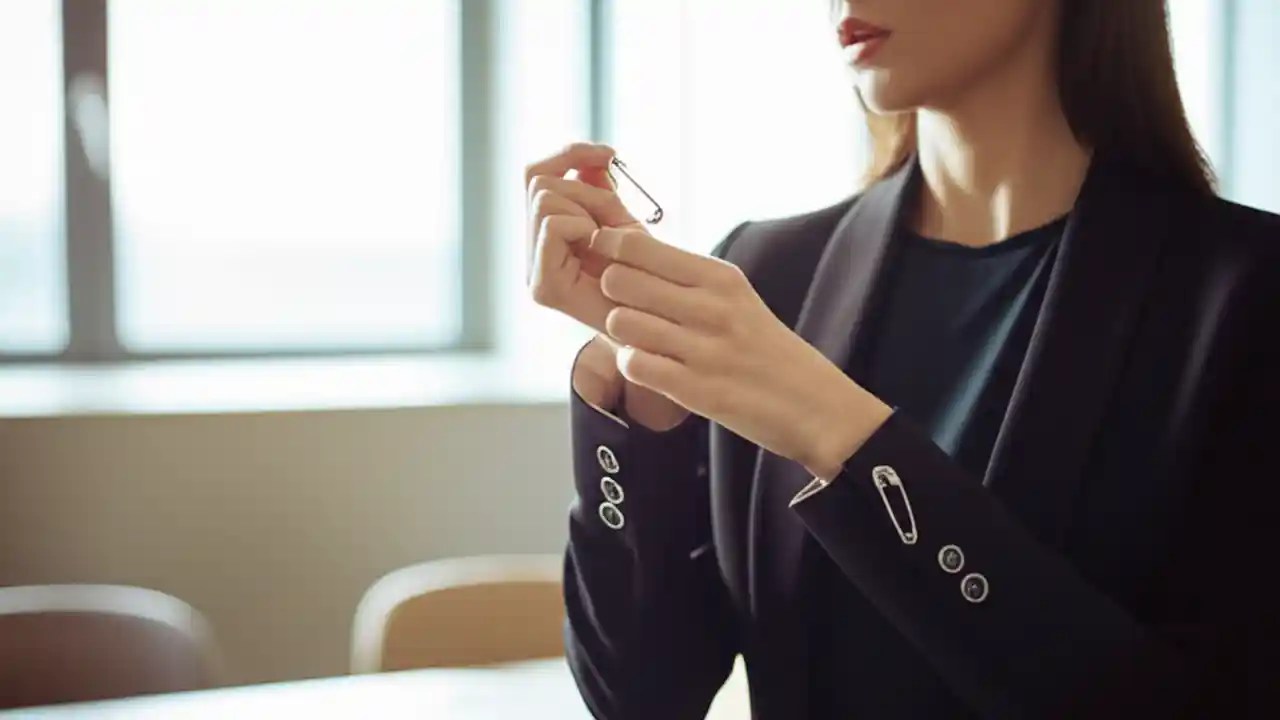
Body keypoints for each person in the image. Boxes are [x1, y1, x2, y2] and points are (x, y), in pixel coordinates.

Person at [524, 0, 1280, 717]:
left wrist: (833, 425)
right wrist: (643, 384)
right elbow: (641, 698)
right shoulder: (769, 272)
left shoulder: (1245, 297)